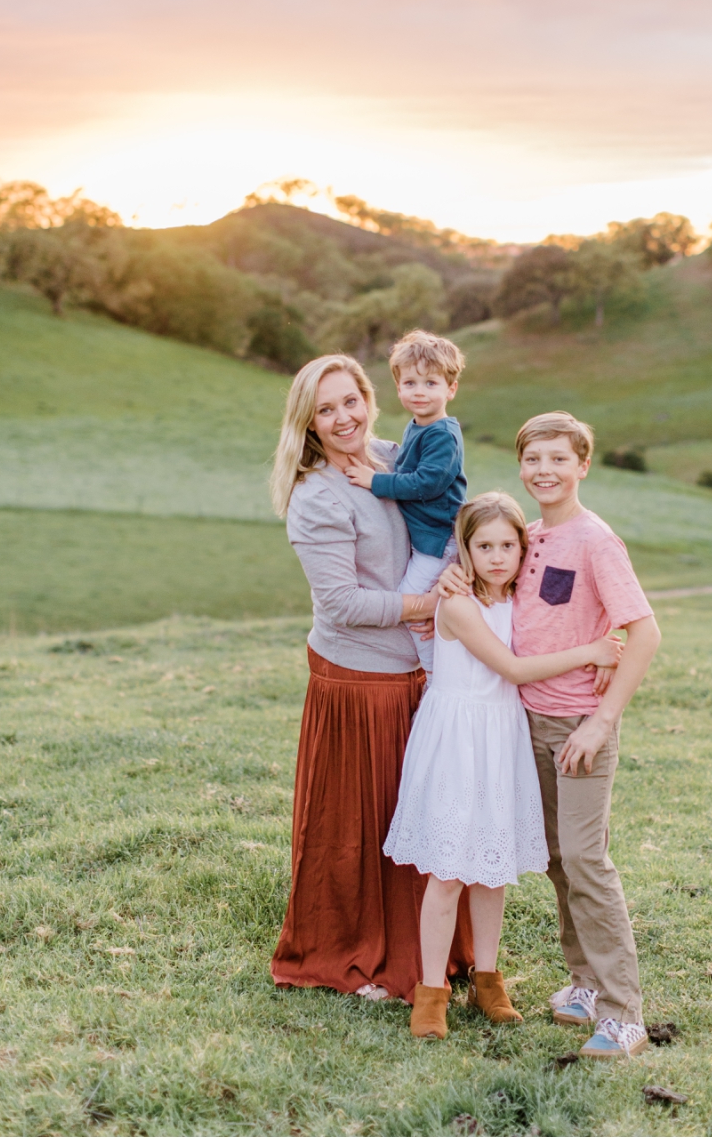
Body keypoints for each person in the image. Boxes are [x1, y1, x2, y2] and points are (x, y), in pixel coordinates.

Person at [268, 353, 473, 1003]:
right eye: (326, 409)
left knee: (418, 819)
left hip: (415, 674)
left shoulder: (394, 454)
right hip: (357, 682)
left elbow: (449, 509)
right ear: (309, 423)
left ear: (368, 398)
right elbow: (344, 605)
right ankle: (358, 950)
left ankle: (428, 951)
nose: (343, 417)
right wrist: (430, 605)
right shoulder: (316, 496)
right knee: (360, 826)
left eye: (350, 400)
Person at [384, 491, 624, 1040]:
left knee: (491, 873)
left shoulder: (520, 598)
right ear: (463, 551)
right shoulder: (459, 603)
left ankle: (487, 979)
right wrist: (591, 654)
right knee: (447, 873)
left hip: (501, 738)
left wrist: (608, 637)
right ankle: (430, 991)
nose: (496, 556)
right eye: (483, 546)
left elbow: (576, 609)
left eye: (508, 546)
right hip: (457, 739)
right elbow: (514, 668)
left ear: (524, 549)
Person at [512, 411, 661, 1059]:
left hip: (579, 727)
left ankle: (624, 1013)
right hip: (527, 720)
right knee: (552, 856)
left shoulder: (596, 540)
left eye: (557, 459)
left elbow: (644, 632)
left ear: (582, 465)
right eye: (533, 459)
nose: (544, 470)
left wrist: (601, 722)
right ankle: (582, 987)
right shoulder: (524, 536)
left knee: (585, 859)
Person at [345, 330, 467, 675]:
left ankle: (433, 674)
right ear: (398, 388)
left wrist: (375, 481)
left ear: (450, 389)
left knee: (412, 599)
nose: (419, 392)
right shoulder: (419, 426)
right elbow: (407, 462)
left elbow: (427, 483)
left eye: (431, 383)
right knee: (423, 600)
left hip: (439, 539)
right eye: (410, 383)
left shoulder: (442, 434)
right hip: (426, 538)